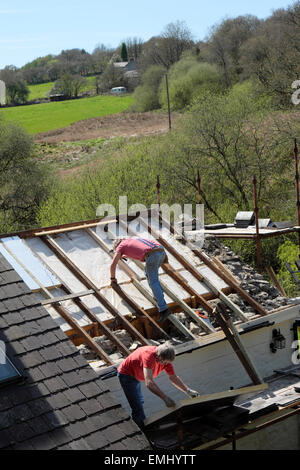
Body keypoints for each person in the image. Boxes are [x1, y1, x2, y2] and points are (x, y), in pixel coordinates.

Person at [117, 341, 200, 429]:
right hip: (127, 375)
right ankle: (143, 432)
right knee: (137, 405)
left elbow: (173, 377)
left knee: (140, 400)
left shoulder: (165, 359)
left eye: (167, 362)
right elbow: (149, 382)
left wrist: (187, 390)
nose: (165, 364)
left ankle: (143, 427)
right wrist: (165, 398)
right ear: (159, 356)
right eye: (164, 362)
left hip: (137, 373)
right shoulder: (149, 357)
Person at [110, 237, 171, 322]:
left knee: (153, 281)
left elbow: (113, 265)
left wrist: (113, 279)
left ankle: (164, 310)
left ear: (116, 246)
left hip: (152, 255)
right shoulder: (130, 240)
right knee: (148, 273)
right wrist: (123, 255)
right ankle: (159, 295)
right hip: (161, 252)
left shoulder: (120, 246)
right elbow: (138, 249)